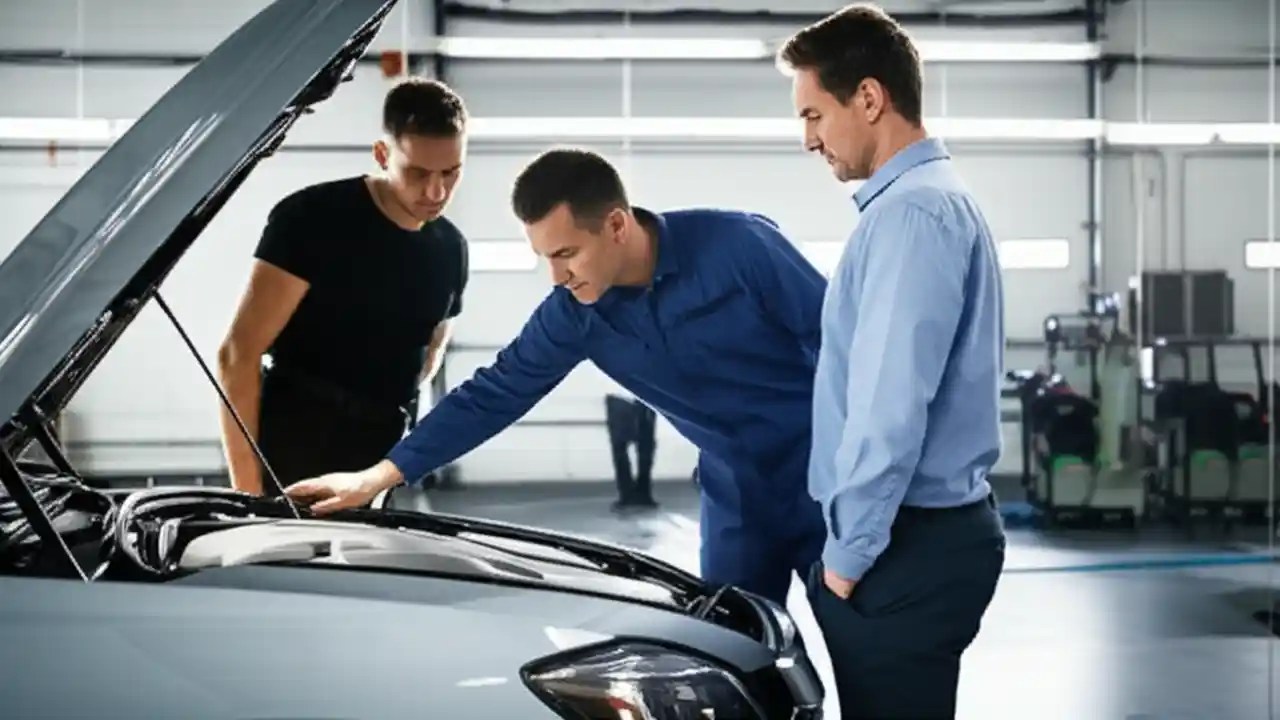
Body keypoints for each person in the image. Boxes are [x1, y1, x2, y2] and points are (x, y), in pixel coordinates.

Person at [284, 147, 829, 607]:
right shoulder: (574, 313)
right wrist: (377, 476)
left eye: (567, 253)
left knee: (866, 655)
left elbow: (846, 348)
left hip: (829, 480)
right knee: (737, 654)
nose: (557, 275)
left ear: (616, 225)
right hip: (735, 495)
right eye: (544, 256)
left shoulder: (739, 248)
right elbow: (493, 393)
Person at [777, 4, 1007, 718]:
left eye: (815, 114)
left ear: (869, 98)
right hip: (918, 539)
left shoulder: (912, 215)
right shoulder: (923, 204)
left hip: (904, 547)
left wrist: (844, 565)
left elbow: (890, 407)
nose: (808, 139)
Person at [216, 77, 470, 497]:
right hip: (292, 449)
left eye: (451, 172)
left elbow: (430, 354)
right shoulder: (312, 218)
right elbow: (237, 356)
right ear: (382, 154)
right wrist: (250, 496)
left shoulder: (451, 248)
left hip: (377, 458)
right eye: (418, 173)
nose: (436, 191)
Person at [604, 392, 658, 511]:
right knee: (644, 448)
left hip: (624, 397)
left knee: (621, 449)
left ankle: (629, 494)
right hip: (642, 396)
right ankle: (641, 493)